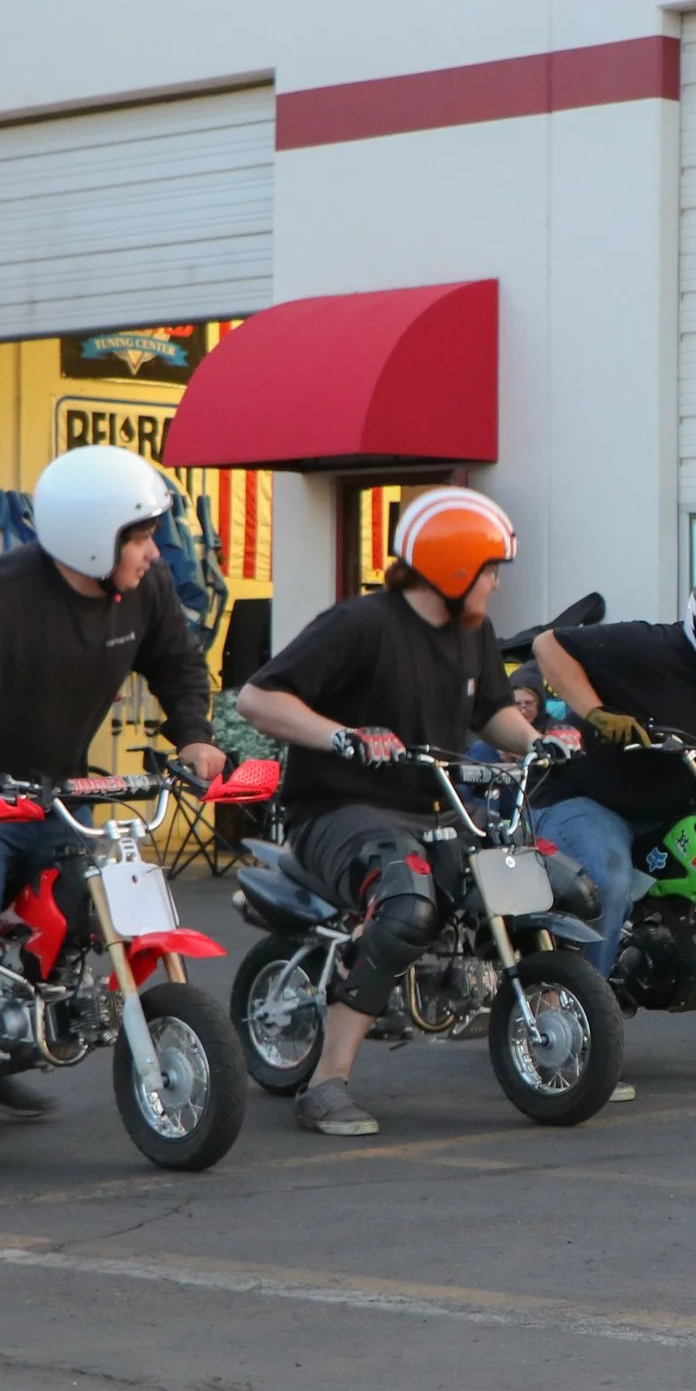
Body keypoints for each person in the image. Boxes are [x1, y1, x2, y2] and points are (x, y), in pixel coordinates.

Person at [0, 446, 225, 1175]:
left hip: (57, 787)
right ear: (93, 535)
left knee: (98, 905)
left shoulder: (140, 594)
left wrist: (194, 735)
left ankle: (18, 1033)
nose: (154, 552)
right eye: (140, 536)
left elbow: (178, 662)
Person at [234, 487, 552, 1136]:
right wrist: (343, 736)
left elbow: (488, 710)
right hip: (336, 809)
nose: (495, 582)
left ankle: (557, 1047)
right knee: (408, 901)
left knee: (542, 881)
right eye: (490, 568)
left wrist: (541, 744)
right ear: (455, 568)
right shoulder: (361, 623)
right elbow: (257, 699)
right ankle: (326, 1084)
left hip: (432, 807)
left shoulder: (474, 631)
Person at [531, 565, 696, 1016]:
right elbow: (548, 644)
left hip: (677, 801)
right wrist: (596, 713)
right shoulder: (651, 648)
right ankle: (583, 1020)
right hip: (586, 798)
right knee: (610, 880)